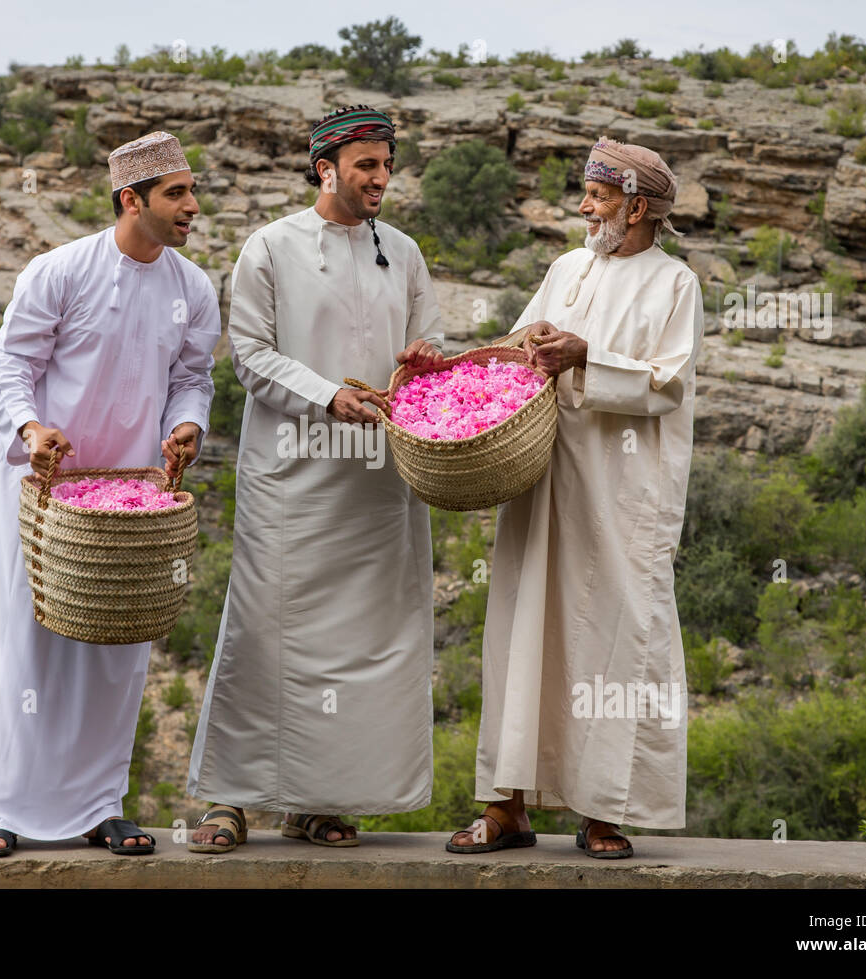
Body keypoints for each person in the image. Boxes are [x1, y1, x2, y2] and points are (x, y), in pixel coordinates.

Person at [0, 131, 220, 857]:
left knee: (113, 652)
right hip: (40, 488)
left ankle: (99, 804)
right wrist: (31, 429)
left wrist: (186, 426)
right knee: (21, 645)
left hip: (128, 499)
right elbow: (11, 363)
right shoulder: (59, 270)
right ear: (132, 200)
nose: (194, 206)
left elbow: (193, 377)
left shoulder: (193, 287)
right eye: (177, 193)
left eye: (192, 191)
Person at [186, 105, 445, 852]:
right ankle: (228, 800)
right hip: (292, 480)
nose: (381, 179)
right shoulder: (270, 247)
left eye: (388, 165)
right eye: (367, 165)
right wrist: (328, 393)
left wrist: (424, 358)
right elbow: (251, 357)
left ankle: (321, 800)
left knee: (367, 643)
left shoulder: (405, 251)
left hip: (380, 484)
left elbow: (428, 346)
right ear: (325, 166)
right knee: (263, 634)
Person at [447, 136, 703, 859]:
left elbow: (669, 382)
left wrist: (587, 356)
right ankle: (506, 804)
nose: (584, 206)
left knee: (611, 640)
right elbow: (518, 346)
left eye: (597, 194)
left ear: (638, 205)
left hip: (622, 493)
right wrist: (453, 361)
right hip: (543, 481)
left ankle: (602, 809)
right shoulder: (565, 268)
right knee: (520, 632)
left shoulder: (674, 283)